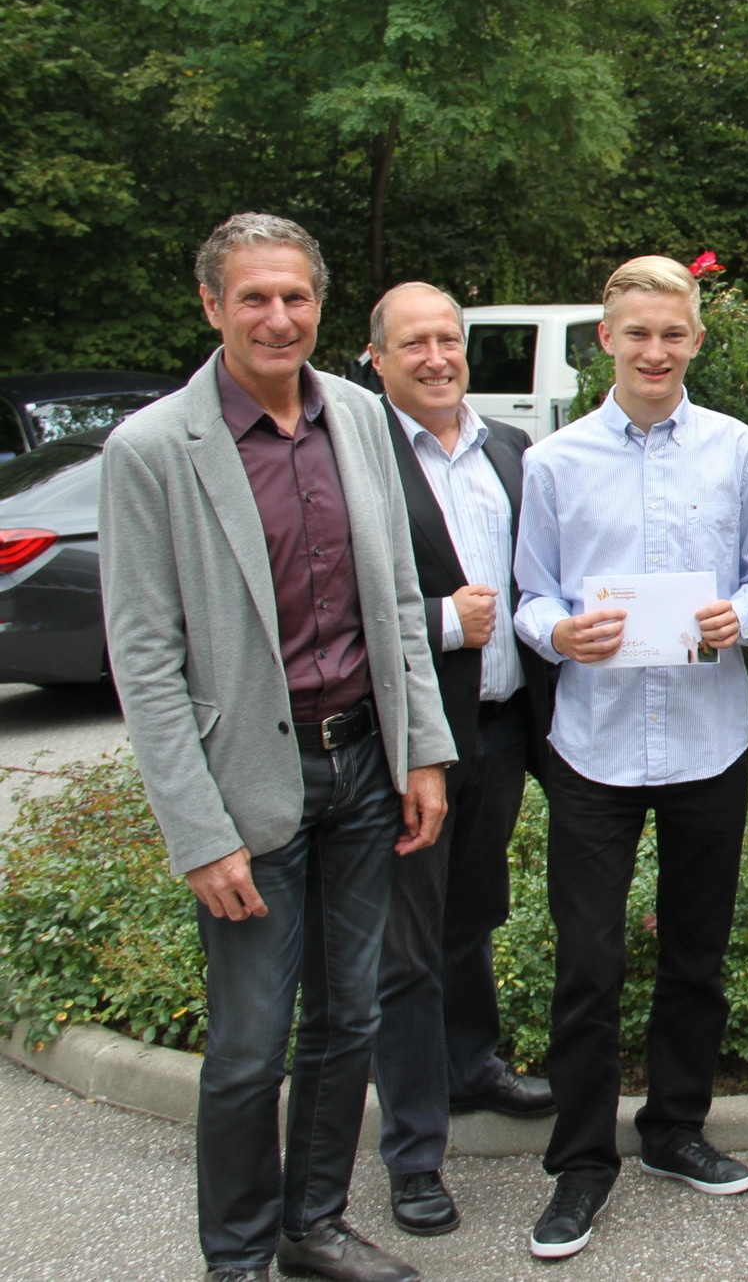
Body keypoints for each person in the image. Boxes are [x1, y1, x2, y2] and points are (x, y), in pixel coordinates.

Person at [100, 214, 454, 1282]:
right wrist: (196, 833)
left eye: (295, 297)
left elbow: (396, 599)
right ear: (211, 306)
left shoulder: (356, 416)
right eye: (253, 297)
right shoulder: (154, 449)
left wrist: (422, 751)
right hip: (247, 786)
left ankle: (314, 1227)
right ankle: (239, 1255)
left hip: (361, 767)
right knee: (251, 1043)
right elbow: (145, 662)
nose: (277, 316)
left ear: (320, 306)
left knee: (350, 1019)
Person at [512, 255, 748, 1259]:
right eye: (637, 334)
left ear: (696, 341)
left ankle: (674, 1129)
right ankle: (580, 1164)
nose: (656, 350)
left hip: (706, 738)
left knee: (694, 956)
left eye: (673, 334)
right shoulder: (555, 463)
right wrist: (555, 634)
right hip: (594, 744)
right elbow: (531, 595)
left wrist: (735, 618)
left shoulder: (740, 452)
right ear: (605, 341)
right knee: (587, 963)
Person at [366, 282, 557, 1240]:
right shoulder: (360, 459)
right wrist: (444, 622)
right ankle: (412, 1150)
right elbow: (331, 610)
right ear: (378, 359)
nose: (437, 356)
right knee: (406, 943)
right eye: (414, 344)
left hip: (502, 725)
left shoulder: (510, 449)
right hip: (413, 737)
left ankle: (472, 1065)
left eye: (448, 338)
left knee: (472, 907)